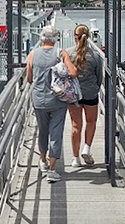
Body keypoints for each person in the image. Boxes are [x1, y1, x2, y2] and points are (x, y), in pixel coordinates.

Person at [26, 25, 77, 183]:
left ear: (42, 38)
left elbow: (29, 78)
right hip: (57, 99)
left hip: (39, 99)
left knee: (42, 130)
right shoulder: (60, 53)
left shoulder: (33, 54)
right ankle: (52, 169)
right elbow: (73, 72)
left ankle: (42, 161)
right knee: (56, 132)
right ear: (56, 39)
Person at [67, 23, 103, 167]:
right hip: (90, 93)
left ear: (75, 37)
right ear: (88, 37)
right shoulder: (95, 56)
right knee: (91, 121)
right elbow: (99, 76)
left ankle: (75, 158)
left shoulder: (69, 54)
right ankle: (87, 148)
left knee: (76, 125)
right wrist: (95, 89)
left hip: (74, 94)